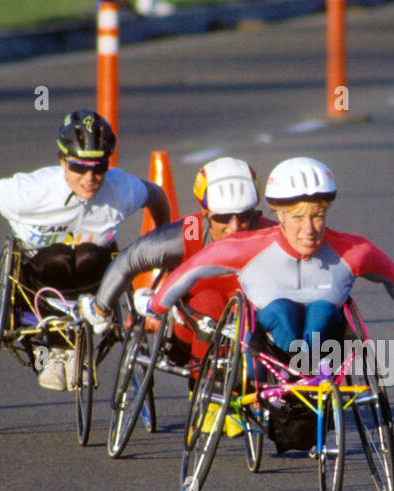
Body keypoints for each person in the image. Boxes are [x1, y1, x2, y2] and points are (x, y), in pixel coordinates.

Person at [147, 157, 394, 450]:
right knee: (281, 310)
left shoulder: (354, 250)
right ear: (278, 216)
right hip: (266, 359)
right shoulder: (248, 246)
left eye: (317, 216)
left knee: (321, 310)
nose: (309, 229)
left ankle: (308, 379)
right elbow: (189, 271)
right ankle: (293, 383)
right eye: (297, 218)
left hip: (323, 352)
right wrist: (157, 306)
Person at [0, 109, 171, 390]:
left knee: (91, 254)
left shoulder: (121, 188)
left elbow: (158, 196)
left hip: (95, 284)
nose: (90, 177)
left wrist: (163, 250)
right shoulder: (29, 192)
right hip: (36, 281)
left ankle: (79, 346)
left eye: (99, 167)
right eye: (79, 167)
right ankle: (54, 350)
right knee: (60, 257)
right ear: (62, 161)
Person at [78, 156, 272, 365]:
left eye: (245, 216)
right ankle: (204, 381)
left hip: (247, 327)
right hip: (192, 323)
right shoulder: (188, 233)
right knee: (210, 302)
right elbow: (130, 260)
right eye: (223, 218)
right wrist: (102, 308)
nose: (234, 228)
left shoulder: (269, 232)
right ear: (206, 212)